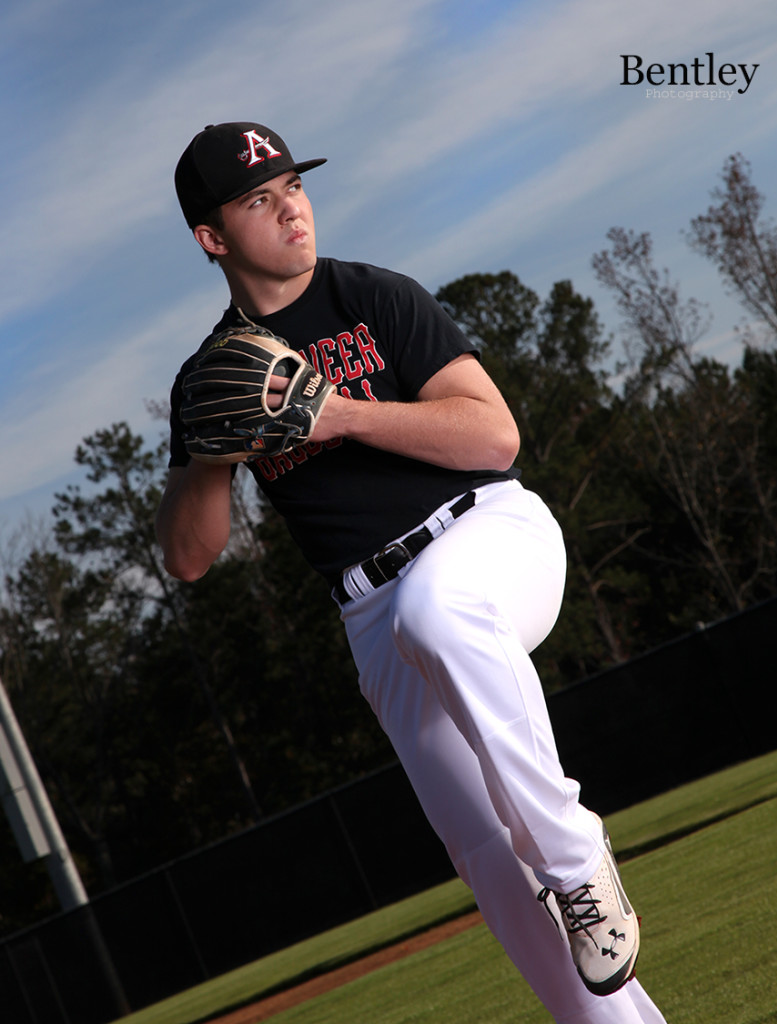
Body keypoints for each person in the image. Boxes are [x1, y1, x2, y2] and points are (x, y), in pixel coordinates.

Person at [157, 121, 668, 1024]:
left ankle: (574, 854)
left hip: (487, 534)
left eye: (293, 186)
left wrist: (339, 415)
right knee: (491, 864)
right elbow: (188, 559)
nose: (291, 210)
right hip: (370, 614)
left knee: (436, 608)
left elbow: (495, 436)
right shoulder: (214, 376)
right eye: (258, 200)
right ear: (212, 237)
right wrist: (208, 455)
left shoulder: (372, 296)